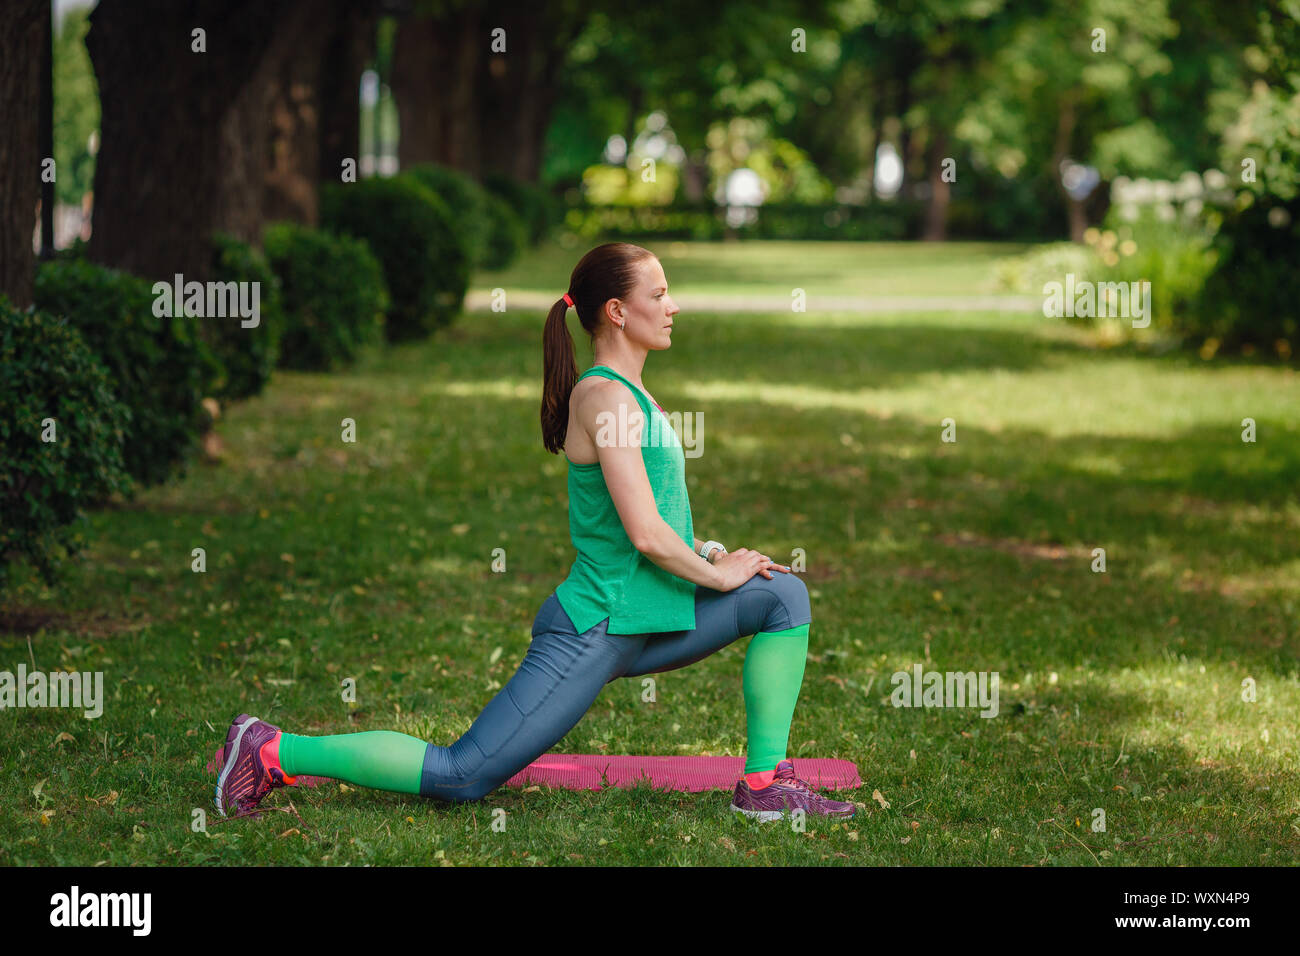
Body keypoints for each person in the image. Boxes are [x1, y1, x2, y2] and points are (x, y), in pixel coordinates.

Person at [215, 241, 854, 822]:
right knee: (460, 774)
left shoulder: (637, 393)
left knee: (781, 596)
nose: (673, 306)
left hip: (651, 618)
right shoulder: (604, 399)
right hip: (596, 629)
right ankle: (272, 749)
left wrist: (710, 549)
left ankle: (764, 784)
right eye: (658, 295)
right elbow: (641, 532)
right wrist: (717, 574)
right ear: (617, 311)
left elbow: (658, 517)